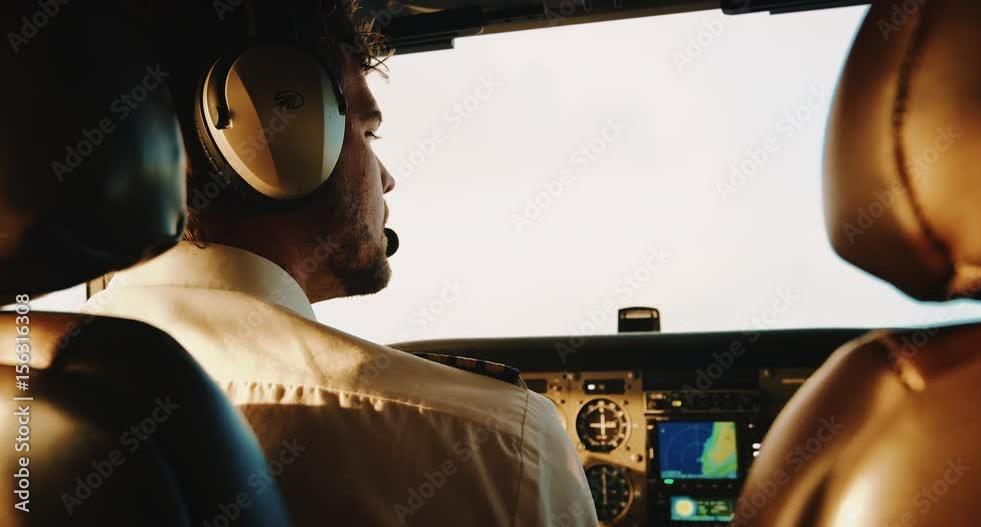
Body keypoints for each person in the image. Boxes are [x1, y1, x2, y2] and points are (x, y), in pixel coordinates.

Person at [84, 2, 598, 526]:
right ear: (286, 135)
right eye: (368, 134)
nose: (388, 178)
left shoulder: (27, 386)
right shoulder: (498, 440)